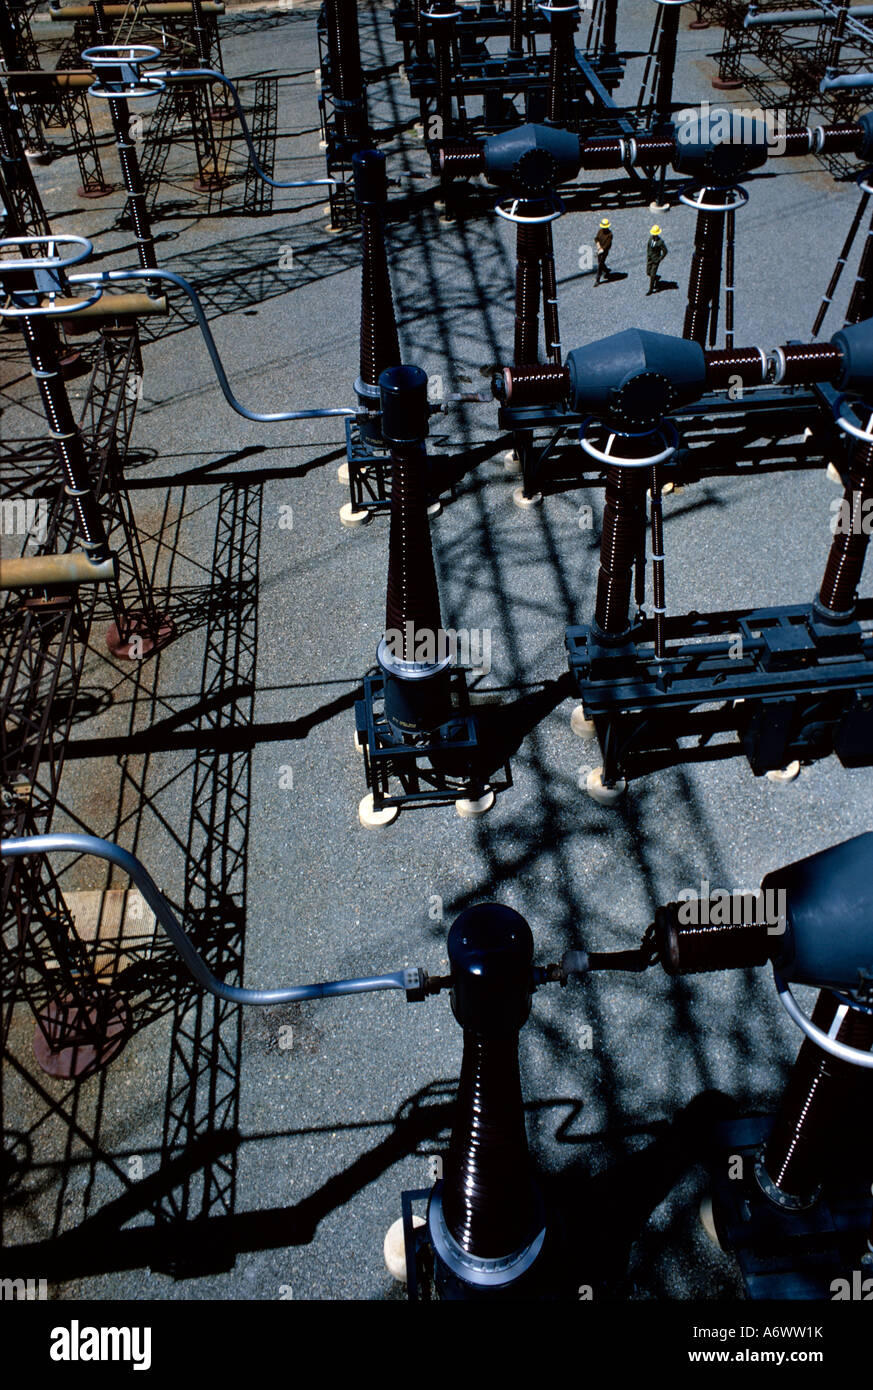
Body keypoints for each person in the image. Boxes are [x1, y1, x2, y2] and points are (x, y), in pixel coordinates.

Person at [646, 225, 668, 295]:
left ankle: (651, 289)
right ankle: (656, 277)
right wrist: (648, 254)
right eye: (653, 234)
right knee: (648, 272)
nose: (654, 235)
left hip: (656, 260)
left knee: (652, 275)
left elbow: (665, 251)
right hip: (650, 258)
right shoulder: (650, 239)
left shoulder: (660, 242)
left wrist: (660, 258)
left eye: (655, 234)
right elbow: (648, 247)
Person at [594, 218, 613, 285]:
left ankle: (597, 279)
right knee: (600, 262)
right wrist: (598, 245)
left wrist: (602, 249)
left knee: (600, 264)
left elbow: (607, 244)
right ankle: (606, 270)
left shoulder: (610, 234)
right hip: (600, 249)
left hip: (605, 251)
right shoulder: (600, 231)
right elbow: (596, 239)